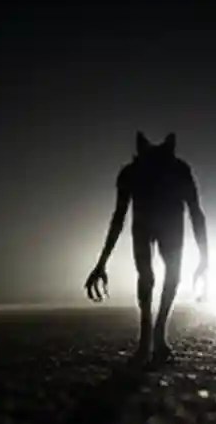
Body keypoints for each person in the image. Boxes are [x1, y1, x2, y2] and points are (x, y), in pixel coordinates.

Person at [85, 132, 209, 365]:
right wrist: (101, 263)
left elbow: (119, 219)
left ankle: (154, 335)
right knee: (156, 277)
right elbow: (195, 213)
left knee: (158, 277)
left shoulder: (141, 172)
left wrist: (205, 258)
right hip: (157, 226)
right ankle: (151, 336)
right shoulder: (165, 170)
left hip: (157, 226)